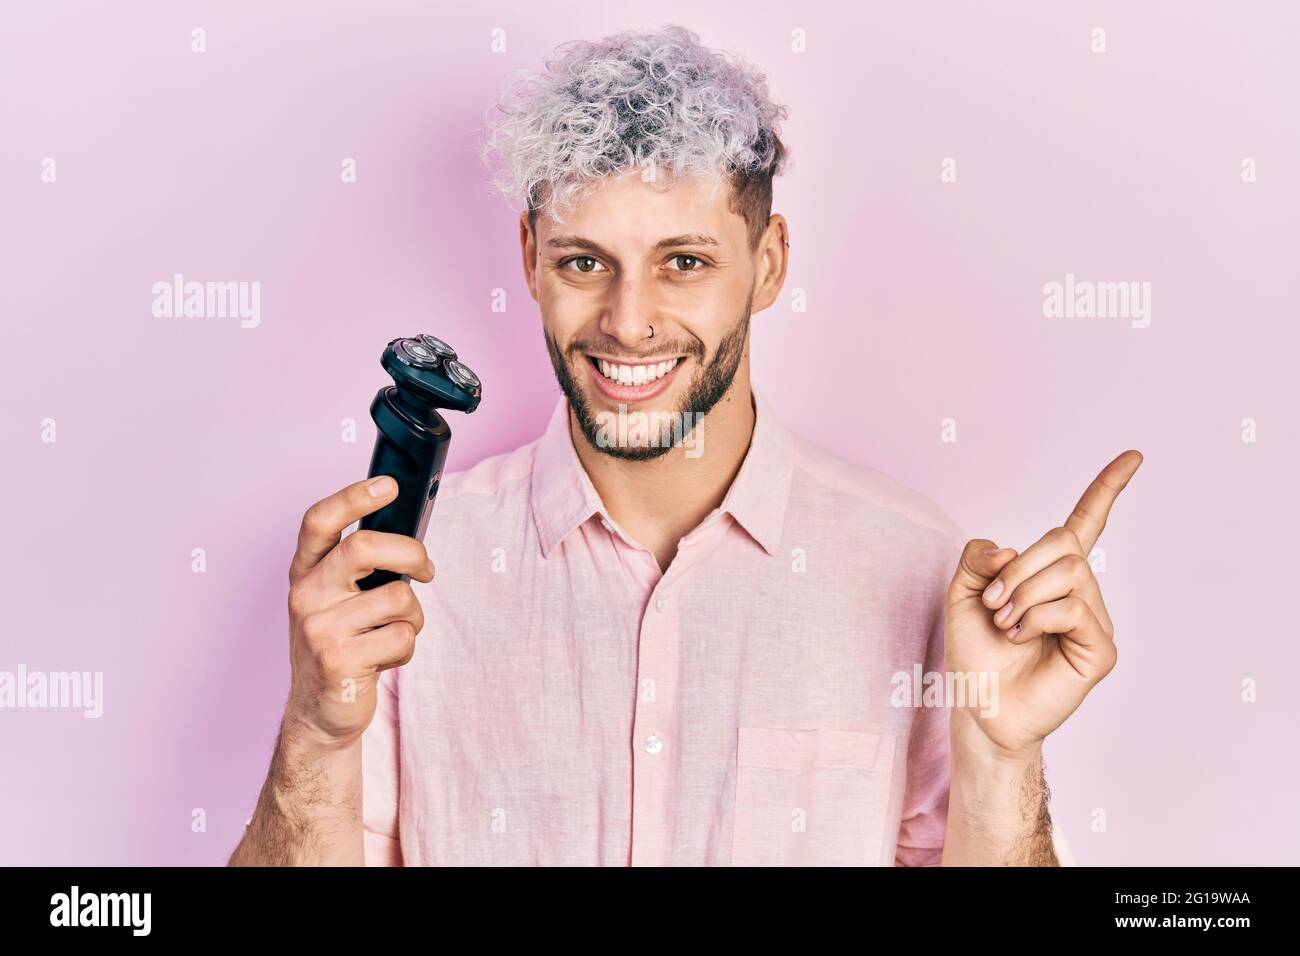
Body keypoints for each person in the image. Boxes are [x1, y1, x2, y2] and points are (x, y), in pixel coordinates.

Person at [228, 24, 1139, 867]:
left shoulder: (917, 568)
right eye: (584, 261)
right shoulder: (413, 573)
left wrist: (1000, 756)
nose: (629, 323)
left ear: (768, 263)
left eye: (685, 262)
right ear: (530, 259)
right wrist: (315, 732)